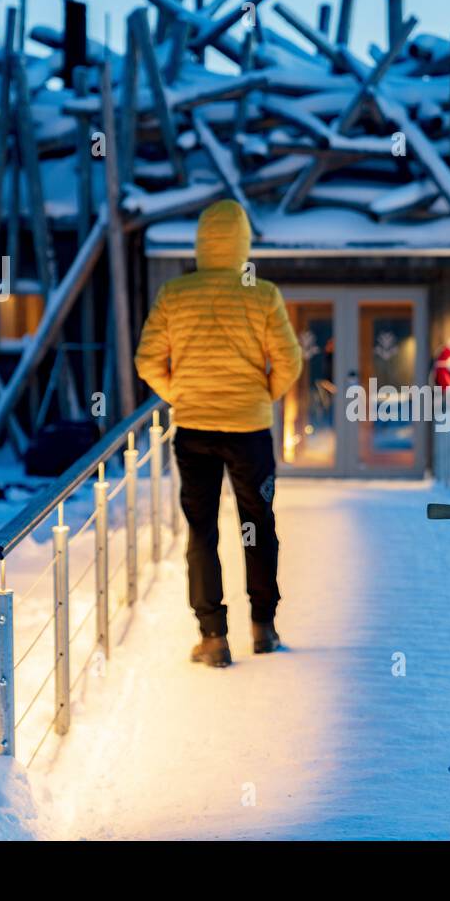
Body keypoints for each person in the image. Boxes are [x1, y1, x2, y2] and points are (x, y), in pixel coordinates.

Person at [134, 200, 303, 668]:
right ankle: (264, 627)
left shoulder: (175, 292)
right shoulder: (262, 292)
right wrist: (260, 394)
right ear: (242, 244)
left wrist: (181, 393)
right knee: (257, 525)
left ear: (202, 243)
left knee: (201, 530)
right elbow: (289, 361)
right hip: (249, 430)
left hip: (194, 430)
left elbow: (147, 360)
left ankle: (212, 638)